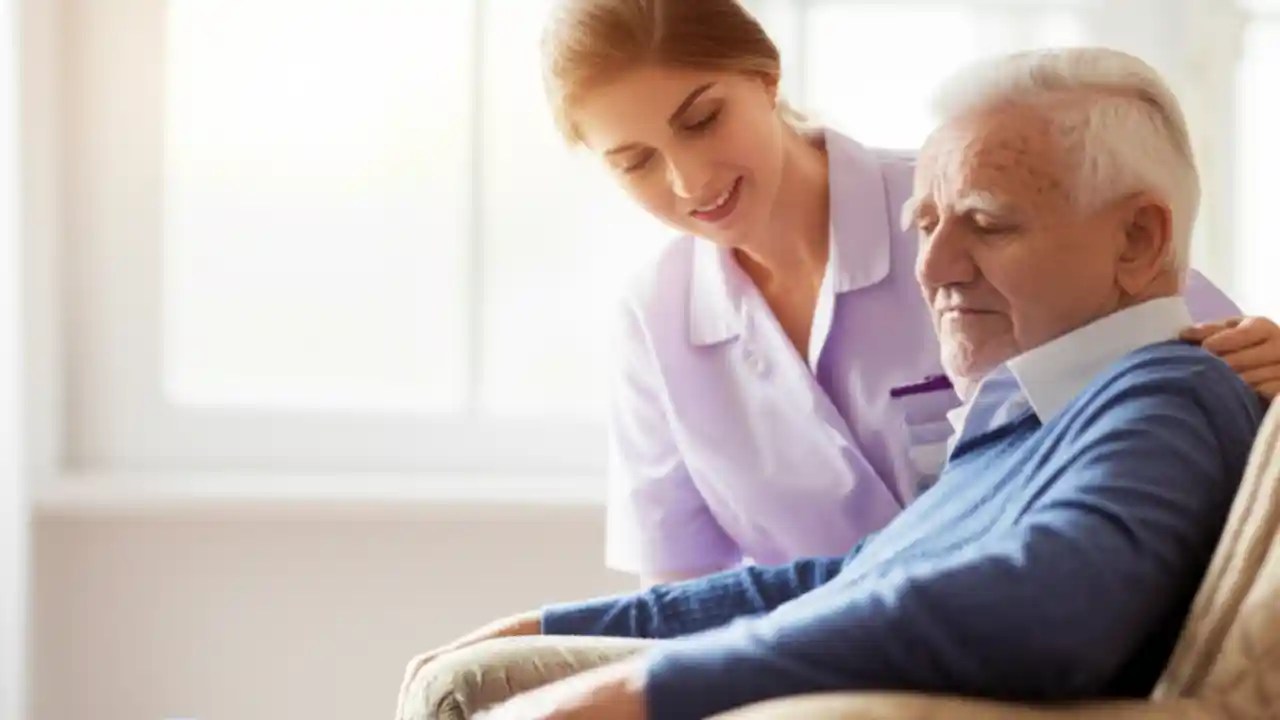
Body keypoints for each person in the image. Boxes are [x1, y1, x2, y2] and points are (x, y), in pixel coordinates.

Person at [396, 47, 1269, 720]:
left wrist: (661, 689)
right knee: (475, 679)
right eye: (922, 224)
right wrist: (554, 628)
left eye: (988, 225)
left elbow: (1053, 601)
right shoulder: (1029, 416)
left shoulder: (1164, 391)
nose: (932, 267)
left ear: (1138, 243)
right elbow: (850, 576)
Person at [541, 0, 1280, 586]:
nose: (690, 181)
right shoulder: (654, 319)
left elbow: (1190, 355)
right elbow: (678, 587)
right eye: (635, 161)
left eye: (704, 120)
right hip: (820, 686)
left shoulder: (974, 210)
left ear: (765, 78)